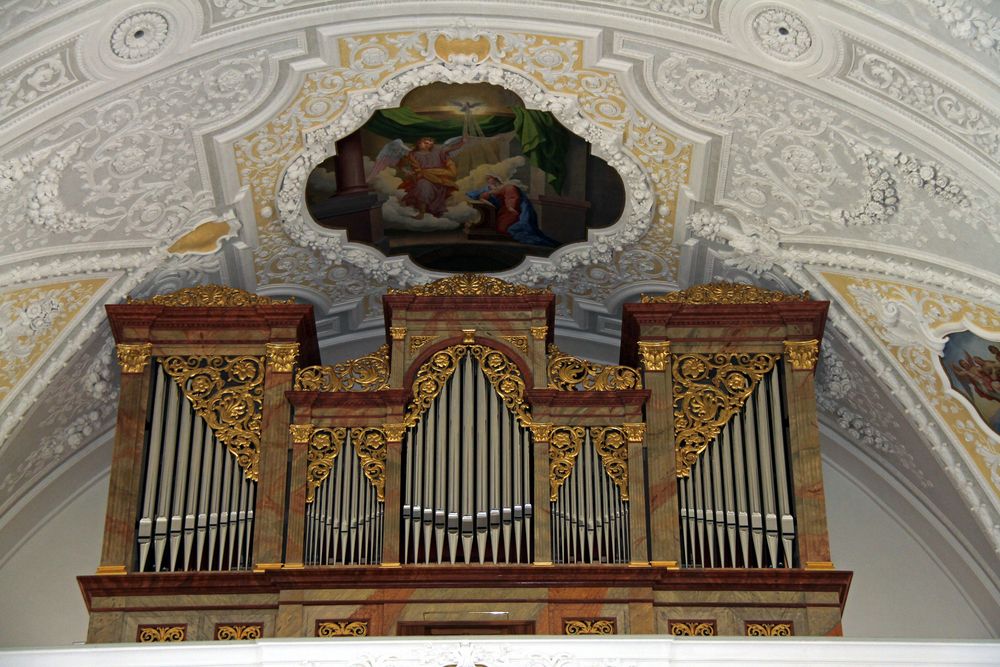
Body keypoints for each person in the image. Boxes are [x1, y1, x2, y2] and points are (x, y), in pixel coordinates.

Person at [468, 175, 557, 246]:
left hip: (514, 210)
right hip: (505, 210)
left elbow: (512, 197)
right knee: (501, 228)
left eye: (492, 182)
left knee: (509, 228)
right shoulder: (492, 189)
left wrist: (511, 207)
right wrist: (486, 201)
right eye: (489, 182)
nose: (491, 184)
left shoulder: (508, 187)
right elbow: (483, 196)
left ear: (497, 181)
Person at [398, 137, 463, 218]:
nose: (428, 145)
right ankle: (421, 212)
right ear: (419, 142)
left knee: (426, 186)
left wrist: (462, 143)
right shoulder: (413, 154)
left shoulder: (437, 151)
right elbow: (403, 165)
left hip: (438, 177)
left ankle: (432, 210)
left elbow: (450, 148)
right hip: (423, 177)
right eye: (425, 143)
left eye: (430, 144)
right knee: (423, 185)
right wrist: (408, 172)